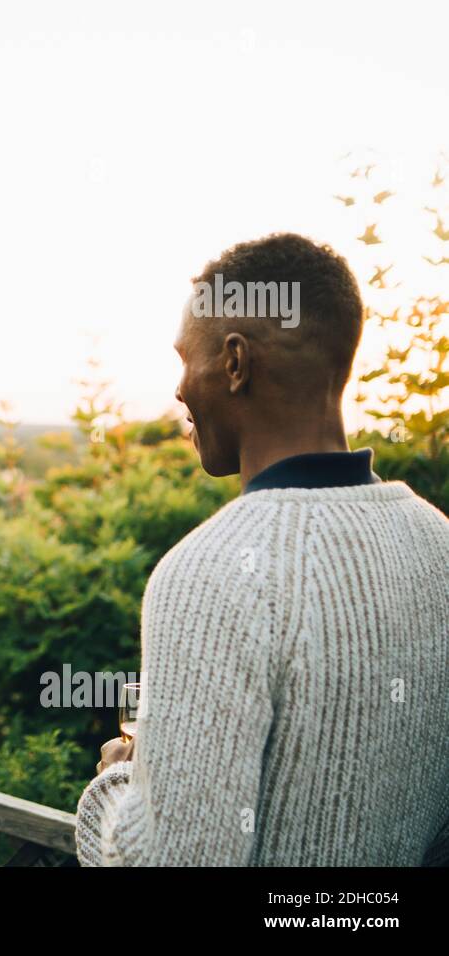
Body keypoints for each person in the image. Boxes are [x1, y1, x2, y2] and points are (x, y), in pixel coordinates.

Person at [76, 233, 449, 866]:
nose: (177, 390)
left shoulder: (205, 575)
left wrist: (115, 786)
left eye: (183, 360)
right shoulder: (438, 541)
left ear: (234, 364)